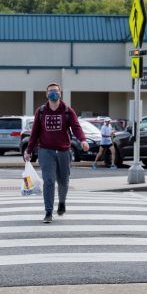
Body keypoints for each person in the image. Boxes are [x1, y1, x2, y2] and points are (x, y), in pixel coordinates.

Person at [24, 83, 89, 223]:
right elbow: (35, 133)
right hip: (45, 151)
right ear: (46, 94)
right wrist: (28, 150)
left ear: (60, 93)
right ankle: (48, 212)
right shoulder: (41, 111)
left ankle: (62, 202)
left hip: (64, 151)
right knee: (48, 180)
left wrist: (83, 140)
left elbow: (76, 127)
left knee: (63, 181)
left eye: (56, 91)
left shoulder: (67, 111)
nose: (53, 93)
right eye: (51, 91)